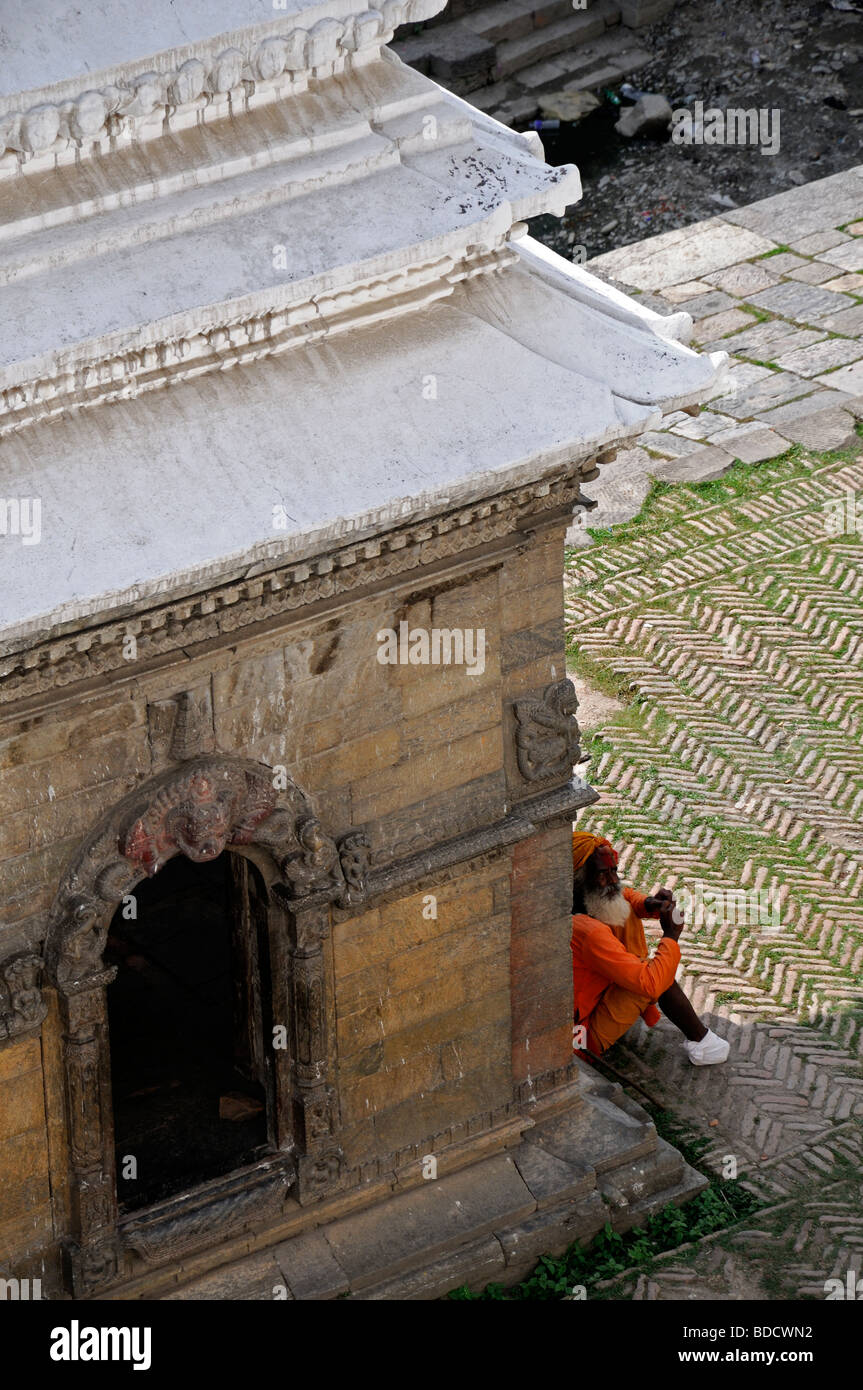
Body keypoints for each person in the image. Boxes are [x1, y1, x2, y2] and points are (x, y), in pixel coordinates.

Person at [571, 830, 729, 1066]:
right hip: (578, 1039)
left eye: (614, 870)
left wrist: (648, 904)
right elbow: (651, 982)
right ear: (579, 879)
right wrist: (671, 936)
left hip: (585, 1002)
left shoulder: (567, 897)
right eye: (603, 874)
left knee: (620, 906)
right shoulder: (587, 932)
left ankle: (702, 1039)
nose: (613, 880)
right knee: (652, 977)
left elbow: (625, 895)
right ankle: (703, 1041)